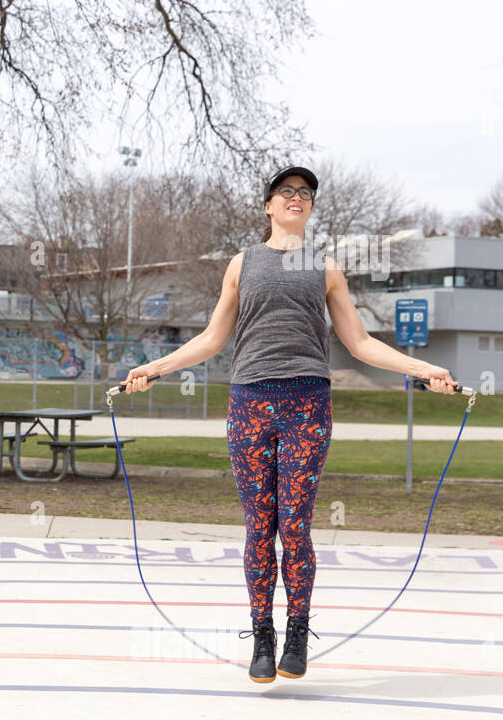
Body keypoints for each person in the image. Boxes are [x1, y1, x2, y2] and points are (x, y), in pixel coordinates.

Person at [119, 165, 456, 683]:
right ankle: (262, 636)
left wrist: (424, 369)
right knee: (260, 526)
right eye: (286, 192)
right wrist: (153, 369)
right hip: (250, 401)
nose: (297, 198)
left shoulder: (325, 268)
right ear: (268, 206)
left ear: (310, 207)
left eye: (305, 193)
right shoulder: (242, 263)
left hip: (307, 403)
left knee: (295, 524)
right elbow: (212, 340)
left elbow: (360, 343)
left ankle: (297, 633)